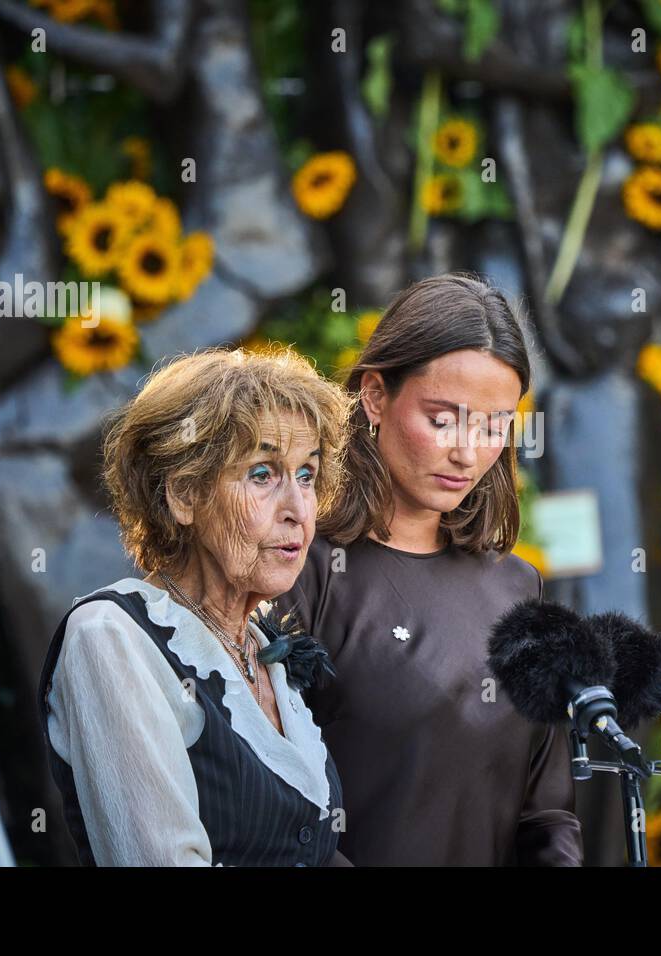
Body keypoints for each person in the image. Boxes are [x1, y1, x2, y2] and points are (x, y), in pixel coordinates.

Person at [276, 273, 584, 865]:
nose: (468, 452)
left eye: (495, 425)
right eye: (443, 419)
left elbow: (546, 812)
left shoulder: (518, 588)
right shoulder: (298, 572)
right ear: (374, 395)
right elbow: (267, 806)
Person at [37, 346, 350, 866]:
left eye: (307, 475)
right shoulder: (110, 636)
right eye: (262, 474)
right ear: (183, 495)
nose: (297, 510)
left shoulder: (260, 643)